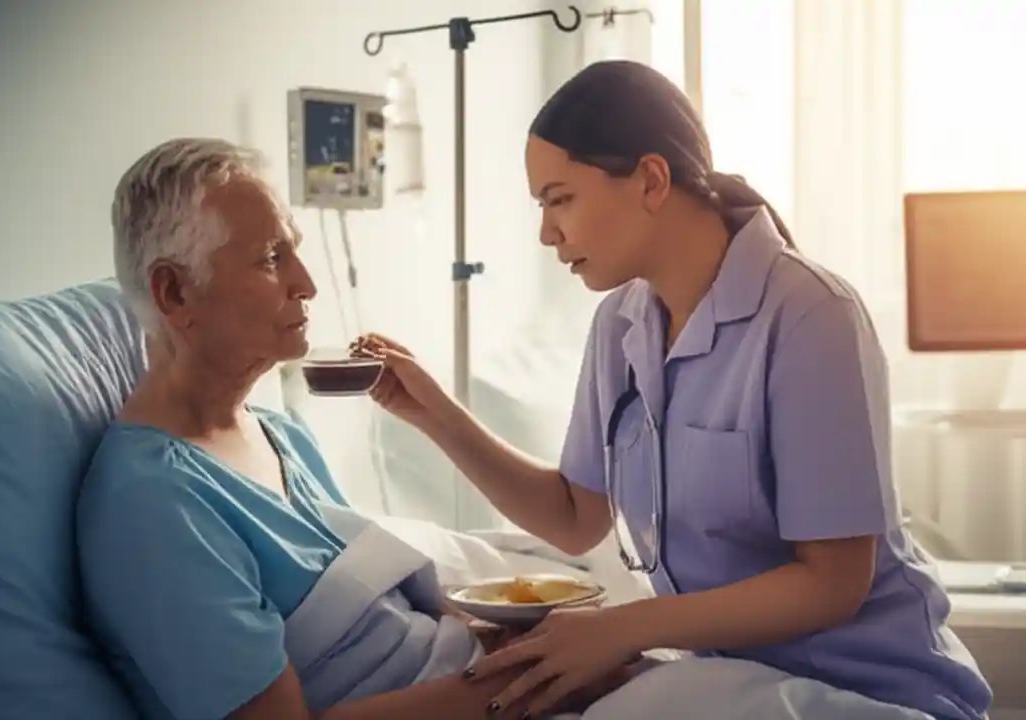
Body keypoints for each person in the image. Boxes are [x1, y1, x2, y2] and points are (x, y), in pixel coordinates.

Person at [365, 60, 993, 720]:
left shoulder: (812, 315)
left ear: (651, 180)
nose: (546, 232)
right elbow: (575, 517)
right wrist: (433, 412)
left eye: (559, 199)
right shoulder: (621, 324)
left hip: (873, 692)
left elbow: (831, 586)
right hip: (731, 682)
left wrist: (626, 628)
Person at [76, 138, 623, 720]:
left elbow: (384, 619)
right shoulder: (153, 505)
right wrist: (538, 679)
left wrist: (514, 644)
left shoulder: (280, 436)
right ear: (175, 291)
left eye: (295, 253)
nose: (306, 283)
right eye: (270, 259)